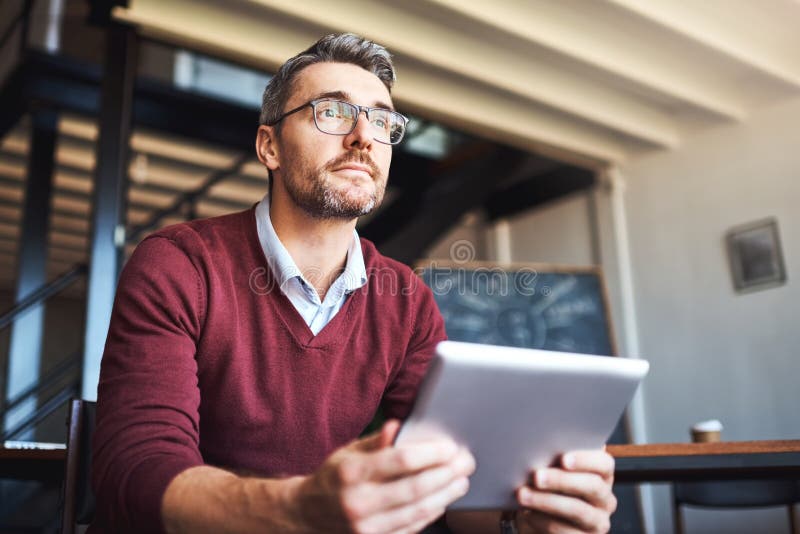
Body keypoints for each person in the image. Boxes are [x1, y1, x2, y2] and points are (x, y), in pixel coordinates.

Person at [89, 33, 617, 534]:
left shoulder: (406, 299)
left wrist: (520, 519)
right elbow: (135, 473)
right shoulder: (178, 264)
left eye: (382, 120)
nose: (364, 135)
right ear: (269, 146)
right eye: (333, 112)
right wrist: (297, 511)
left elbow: (446, 489)